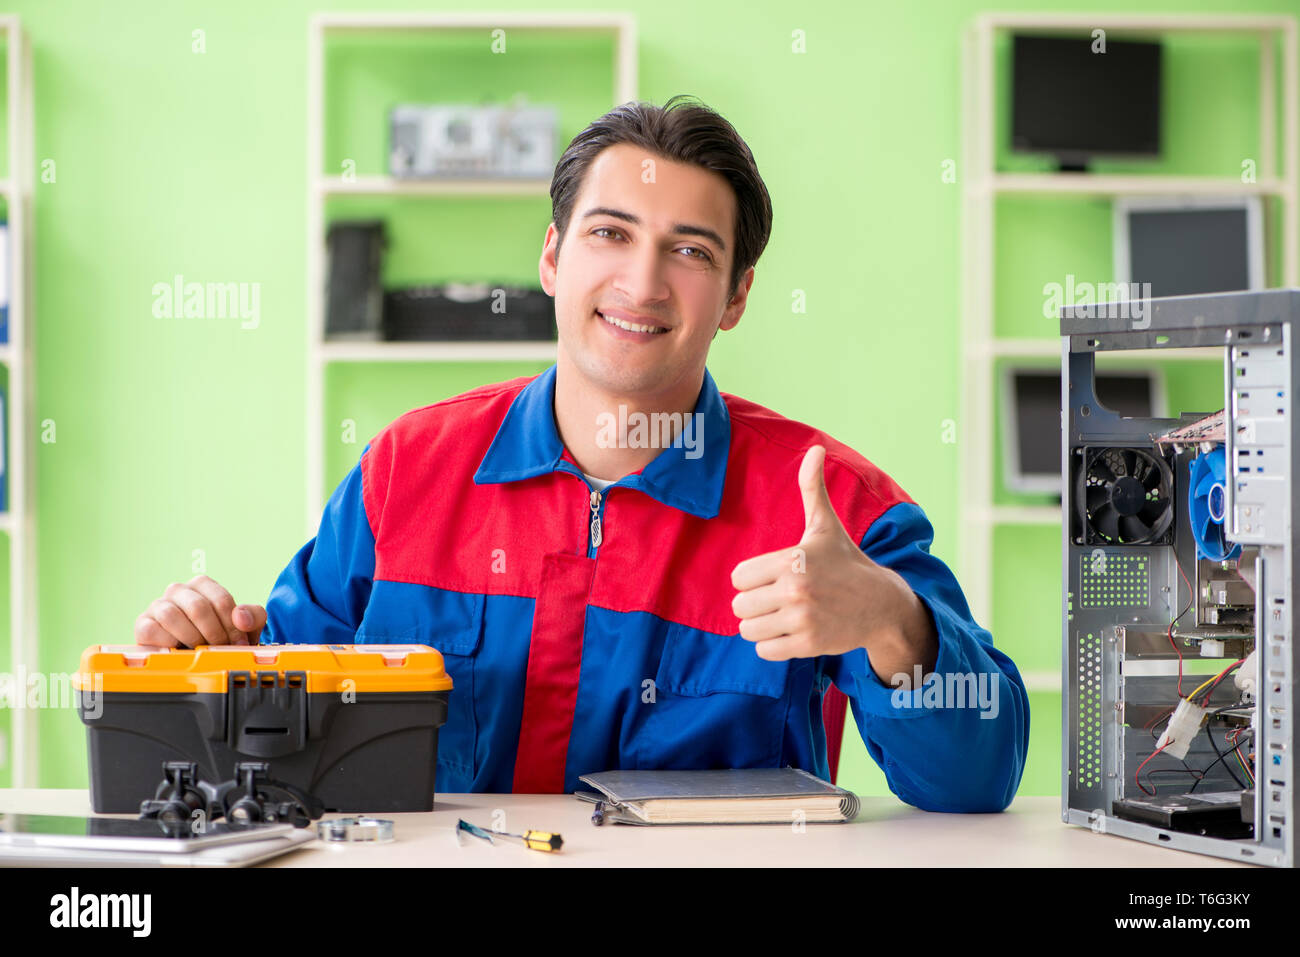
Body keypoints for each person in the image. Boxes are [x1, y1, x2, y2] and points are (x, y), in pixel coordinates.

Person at [136, 95, 1029, 812]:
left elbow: (978, 778)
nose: (642, 283)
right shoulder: (406, 472)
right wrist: (193, 662)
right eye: (610, 234)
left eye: (689, 250)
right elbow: (271, 743)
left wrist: (889, 618)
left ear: (736, 296)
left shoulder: (830, 508)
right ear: (554, 256)